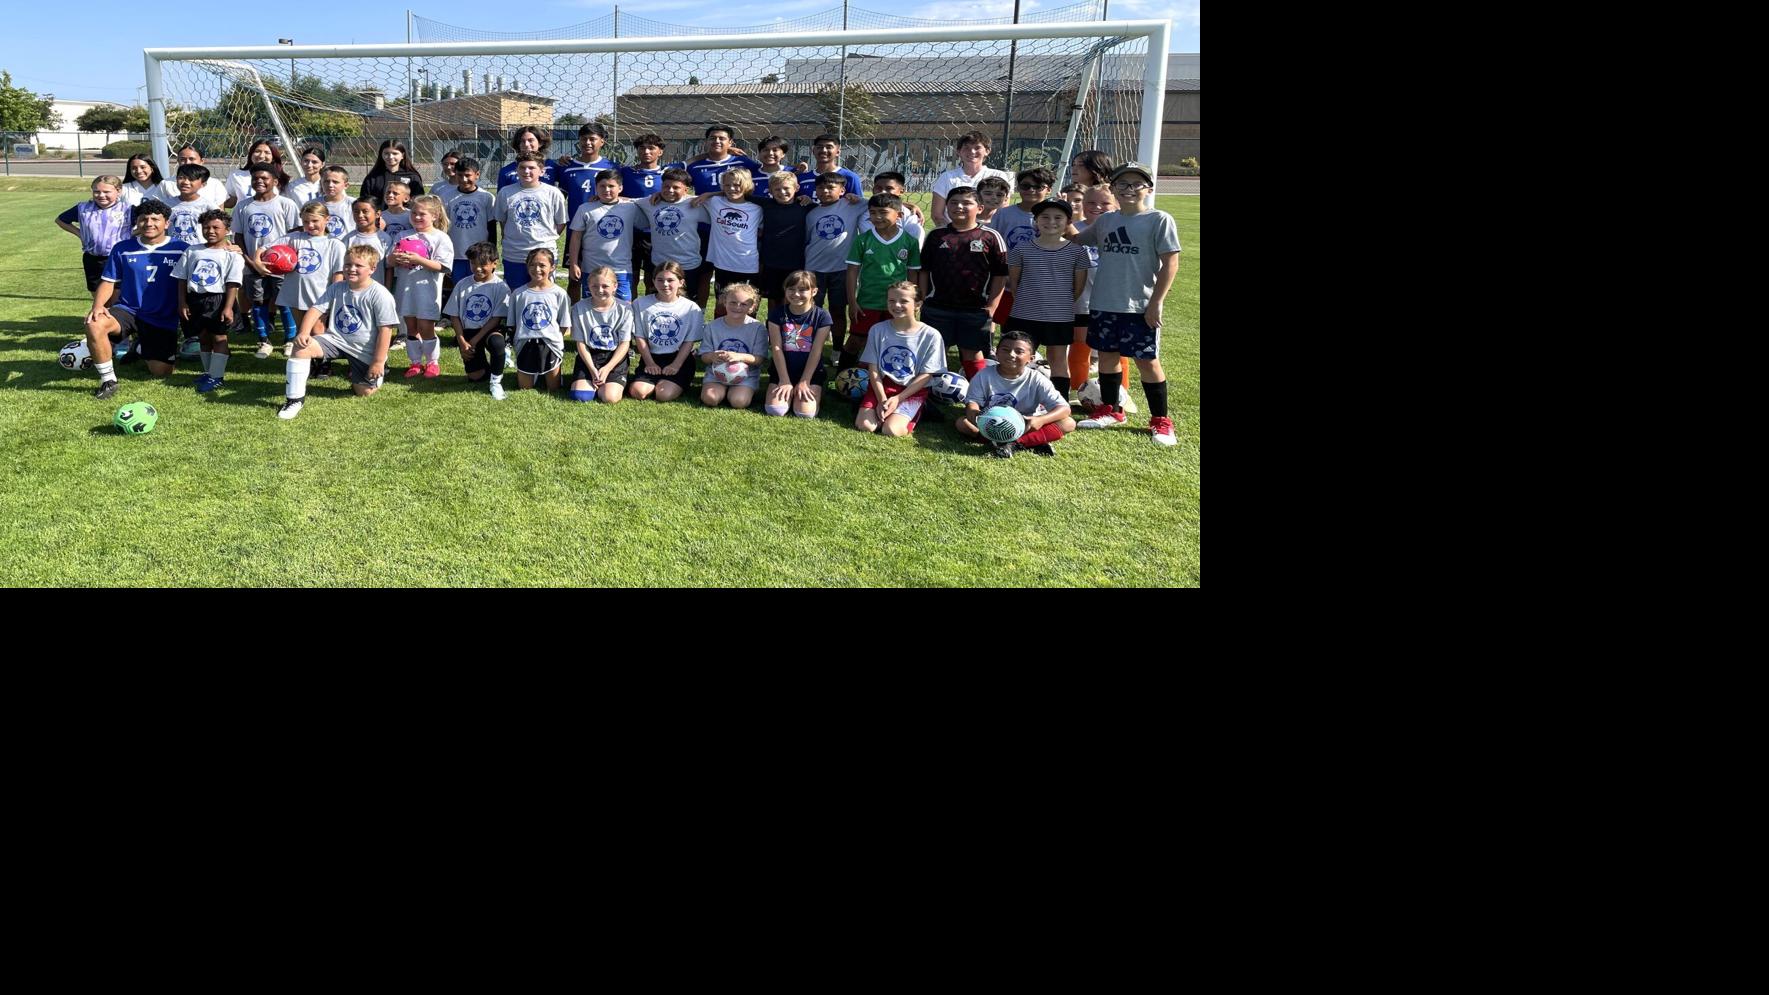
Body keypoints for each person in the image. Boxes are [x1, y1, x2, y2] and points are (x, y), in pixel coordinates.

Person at [1067, 163, 1182, 446]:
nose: (1129, 189)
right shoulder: (1106, 221)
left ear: (1148, 189)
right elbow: (1078, 239)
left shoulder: (1159, 219)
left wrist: (1156, 302)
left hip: (1140, 306)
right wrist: (1065, 211)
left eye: (1136, 184)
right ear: (1114, 188)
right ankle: (1111, 410)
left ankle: (1161, 421)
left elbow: (1171, 263)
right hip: (1104, 303)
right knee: (1107, 358)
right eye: (1123, 184)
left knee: (1147, 362)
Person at [277, 244, 400, 420]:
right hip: (336, 340)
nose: (352, 269)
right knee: (301, 347)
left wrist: (378, 361)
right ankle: (294, 400)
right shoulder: (337, 288)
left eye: (358, 265)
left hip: (364, 350)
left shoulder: (380, 294)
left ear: (372, 269)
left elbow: (386, 331)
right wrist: (303, 332)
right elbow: (315, 310)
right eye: (348, 264)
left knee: (364, 392)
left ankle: (377, 370)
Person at [84, 199, 190, 400]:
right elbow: (108, 281)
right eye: (143, 219)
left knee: (161, 372)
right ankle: (108, 380)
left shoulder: (182, 248)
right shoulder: (123, 248)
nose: (149, 223)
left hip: (162, 316)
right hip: (128, 310)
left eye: (155, 219)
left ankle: (140, 346)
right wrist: (97, 306)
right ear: (137, 223)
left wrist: (230, 249)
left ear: (167, 223)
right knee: (95, 323)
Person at [918, 185, 1007, 380]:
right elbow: (924, 270)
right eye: (954, 202)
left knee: (972, 352)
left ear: (980, 208)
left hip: (974, 308)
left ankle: (979, 392)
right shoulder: (936, 235)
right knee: (933, 351)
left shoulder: (990, 237)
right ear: (947, 206)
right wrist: (923, 298)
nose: (959, 206)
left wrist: (992, 306)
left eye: (967, 203)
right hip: (937, 306)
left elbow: (1000, 275)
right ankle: (927, 392)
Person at [1005, 198, 1090, 400]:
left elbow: (1078, 288)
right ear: (1036, 220)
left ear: (1068, 221)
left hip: (1059, 317)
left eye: (1058, 217)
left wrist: (1057, 303)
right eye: (1045, 217)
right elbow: (1015, 284)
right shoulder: (1021, 249)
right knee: (1017, 357)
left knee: (1057, 359)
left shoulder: (1077, 252)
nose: (1051, 221)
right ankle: (1014, 398)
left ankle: (1058, 403)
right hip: (1024, 314)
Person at [260, 200, 347, 380]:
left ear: (327, 220)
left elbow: (338, 274)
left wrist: (334, 297)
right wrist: (258, 259)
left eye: (315, 221)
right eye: (306, 221)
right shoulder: (295, 238)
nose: (310, 225)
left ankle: (324, 364)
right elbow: (266, 247)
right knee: (302, 330)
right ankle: (309, 362)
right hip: (295, 292)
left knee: (317, 330)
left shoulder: (334, 244)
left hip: (320, 295)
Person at [957, 329, 1075, 458]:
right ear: (996, 352)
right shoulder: (984, 375)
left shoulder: (1037, 378)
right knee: (962, 423)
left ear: (1031, 358)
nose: (1011, 355)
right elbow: (972, 404)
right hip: (992, 423)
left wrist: (1040, 420)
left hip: (1026, 425)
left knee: (1068, 423)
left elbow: (1064, 409)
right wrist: (976, 417)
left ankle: (1015, 444)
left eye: (1019, 352)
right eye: (1006, 350)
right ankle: (1032, 441)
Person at [854, 281, 945, 437]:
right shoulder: (878, 330)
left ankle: (921, 408)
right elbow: (873, 368)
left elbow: (926, 375)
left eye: (904, 301)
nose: (896, 305)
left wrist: (898, 398)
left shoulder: (931, 335)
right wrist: (882, 399)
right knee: (865, 426)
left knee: (890, 430)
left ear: (918, 304)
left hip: (911, 391)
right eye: (891, 300)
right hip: (882, 387)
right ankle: (876, 406)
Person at [842, 192, 920, 371]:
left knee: (896, 339)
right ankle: (843, 376)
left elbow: (913, 274)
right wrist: (852, 302)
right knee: (856, 340)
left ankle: (894, 375)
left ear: (899, 215)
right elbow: (852, 271)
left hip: (897, 303)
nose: (877, 217)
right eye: (873, 212)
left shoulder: (909, 242)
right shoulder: (863, 240)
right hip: (868, 301)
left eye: (883, 212)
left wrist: (914, 300)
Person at [232, 164, 302, 358]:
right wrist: (250, 261)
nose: (259, 181)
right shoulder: (243, 206)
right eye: (255, 178)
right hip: (253, 265)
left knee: (284, 302)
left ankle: (290, 339)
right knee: (258, 300)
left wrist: (287, 260)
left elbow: (295, 233)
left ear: (275, 181)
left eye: (264, 178)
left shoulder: (286, 204)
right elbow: (238, 236)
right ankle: (263, 340)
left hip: (281, 267)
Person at [1069, 183, 1128, 407]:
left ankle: (1122, 391)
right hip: (1082, 301)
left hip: (1114, 301)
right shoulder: (1073, 229)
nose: (1097, 207)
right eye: (1091, 202)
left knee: (1116, 348)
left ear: (1115, 204)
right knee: (1080, 343)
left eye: (1105, 203)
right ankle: (1078, 389)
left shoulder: (1122, 228)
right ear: (1082, 205)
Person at [175, 208, 244, 393]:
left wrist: (228, 307)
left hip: (219, 299)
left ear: (227, 230)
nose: (211, 231)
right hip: (195, 299)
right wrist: (182, 302)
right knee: (203, 337)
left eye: (216, 227)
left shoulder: (232, 254)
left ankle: (217, 377)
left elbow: (233, 283)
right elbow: (182, 278)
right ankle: (208, 372)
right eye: (206, 227)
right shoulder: (192, 250)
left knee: (219, 337)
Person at [390, 194, 456, 379]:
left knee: (426, 326)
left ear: (434, 216)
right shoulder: (403, 235)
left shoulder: (440, 238)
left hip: (427, 290)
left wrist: (418, 259)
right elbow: (389, 260)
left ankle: (433, 362)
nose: (417, 217)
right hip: (406, 289)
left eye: (422, 214)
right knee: (411, 327)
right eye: (414, 213)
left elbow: (443, 266)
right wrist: (396, 257)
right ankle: (415, 362)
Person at [804, 171, 865, 363]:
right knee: (812, 311)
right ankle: (811, 349)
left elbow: (883, 203)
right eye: (821, 188)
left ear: (842, 190)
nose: (825, 191)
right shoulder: (811, 213)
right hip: (814, 269)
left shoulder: (853, 205)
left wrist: (909, 205)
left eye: (831, 187)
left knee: (838, 311)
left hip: (841, 270)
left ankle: (837, 349)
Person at [442, 242, 511, 399]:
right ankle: (496, 363)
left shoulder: (500, 287)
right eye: (473, 263)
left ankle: (496, 382)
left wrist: (474, 341)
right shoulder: (462, 284)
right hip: (468, 331)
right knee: (476, 377)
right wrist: (462, 341)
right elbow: (454, 315)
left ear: (495, 263)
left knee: (497, 344)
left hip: (489, 330)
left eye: (483, 264)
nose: (478, 268)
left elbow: (496, 319)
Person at [627, 260, 703, 403]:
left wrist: (676, 365)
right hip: (652, 357)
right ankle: (656, 379)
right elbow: (640, 337)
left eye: (670, 280)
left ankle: (680, 380)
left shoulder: (691, 308)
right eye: (660, 280)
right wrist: (649, 363)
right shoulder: (640, 304)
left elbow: (689, 341)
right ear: (653, 281)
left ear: (681, 282)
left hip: (678, 358)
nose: (665, 284)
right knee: (638, 392)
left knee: (663, 394)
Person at [634, 168, 710, 307]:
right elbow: (628, 201)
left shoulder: (696, 203)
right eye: (666, 186)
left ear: (686, 189)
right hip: (659, 264)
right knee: (657, 303)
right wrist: (600, 198)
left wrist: (711, 194)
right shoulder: (650, 202)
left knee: (687, 304)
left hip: (688, 264)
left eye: (676, 187)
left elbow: (728, 200)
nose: (670, 190)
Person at [565, 168, 644, 302]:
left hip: (621, 268)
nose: (606, 190)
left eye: (611, 186)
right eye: (602, 186)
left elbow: (646, 220)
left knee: (624, 307)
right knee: (592, 306)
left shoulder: (631, 208)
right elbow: (576, 237)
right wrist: (573, 263)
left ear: (620, 188)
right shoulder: (585, 208)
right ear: (596, 188)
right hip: (591, 267)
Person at [493, 152, 569, 289]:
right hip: (514, 254)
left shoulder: (553, 193)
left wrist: (545, 238)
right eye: (522, 167)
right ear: (517, 170)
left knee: (543, 295)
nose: (526, 171)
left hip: (544, 253)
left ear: (542, 171)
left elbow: (561, 222)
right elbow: (502, 221)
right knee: (515, 294)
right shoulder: (505, 193)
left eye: (531, 168)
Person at [763, 270, 830, 418]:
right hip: (783, 371)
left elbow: (816, 350)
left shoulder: (822, 316)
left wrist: (805, 381)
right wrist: (784, 379)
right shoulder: (777, 314)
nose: (796, 294)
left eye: (802, 289)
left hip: (810, 373)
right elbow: (776, 347)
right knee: (775, 410)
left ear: (814, 291)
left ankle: (815, 389)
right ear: (785, 290)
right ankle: (788, 388)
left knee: (804, 413)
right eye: (791, 289)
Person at [698, 167, 762, 318]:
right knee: (723, 304)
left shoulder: (757, 208)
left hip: (747, 264)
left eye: (737, 185)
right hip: (722, 264)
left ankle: (747, 338)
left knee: (747, 304)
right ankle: (720, 339)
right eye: (727, 185)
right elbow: (686, 198)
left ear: (747, 185)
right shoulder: (714, 202)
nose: (732, 188)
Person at [567, 265, 635, 404]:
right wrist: (592, 369)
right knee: (581, 396)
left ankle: (612, 381)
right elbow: (580, 343)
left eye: (605, 286)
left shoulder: (625, 309)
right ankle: (591, 380)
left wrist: (607, 368)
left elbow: (624, 343)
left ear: (615, 286)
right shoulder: (579, 308)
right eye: (595, 286)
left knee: (609, 397)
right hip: (589, 356)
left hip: (614, 357)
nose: (600, 290)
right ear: (588, 286)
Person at [57, 175, 134, 294]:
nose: (101, 195)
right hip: (93, 260)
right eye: (97, 192)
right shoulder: (83, 208)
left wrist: (131, 235)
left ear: (118, 191)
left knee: (116, 298)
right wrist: (79, 234)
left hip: (118, 258)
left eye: (106, 192)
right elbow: (61, 220)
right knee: (98, 298)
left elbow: (146, 223)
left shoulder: (127, 209)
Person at [506, 247, 570, 392]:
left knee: (553, 388)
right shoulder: (518, 294)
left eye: (542, 265)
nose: (537, 269)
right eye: (533, 265)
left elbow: (564, 325)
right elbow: (512, 324)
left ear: (552, 267)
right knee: (524, 388)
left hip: (550, 345)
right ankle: (532, 371)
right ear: (527, 266)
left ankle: (550, 369)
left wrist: (554, 340)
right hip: (525, 344)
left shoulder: (559, 293)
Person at [620, 132, 676, 295]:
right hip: (631, 233)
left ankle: (650, 311)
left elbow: (691, 163)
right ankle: (631, 313)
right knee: (632, 277)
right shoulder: (625, 172)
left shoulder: (669, 172)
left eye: (651, 148)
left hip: (658, 234)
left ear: (660, 151)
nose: (646, 152)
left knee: (654, 277)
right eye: (642, 148)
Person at [698, 282, 768, 410]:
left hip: (746, 376)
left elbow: (759, 359)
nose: (737, 307)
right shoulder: (712, 327)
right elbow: (704, 357)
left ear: (752, 307)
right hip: (716, 375)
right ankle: (722, 390)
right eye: (733, 302)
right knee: (710, 399)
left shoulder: (758, 328)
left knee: (738, 402)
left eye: (744, 304)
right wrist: (712, 356)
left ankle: (741, 391)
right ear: (724, 302)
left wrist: (739, 357)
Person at [755, 170, 811, 321]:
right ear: (770, 191)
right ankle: (772, 329)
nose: (782, 192)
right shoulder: (766, 204)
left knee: (791, 298)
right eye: (777, 189)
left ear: (796, 188)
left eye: (786, 188)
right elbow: (738, 194)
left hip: (795, 263)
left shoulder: (805, 206)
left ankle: (788, 329)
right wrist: (709, 195)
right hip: (771, 262)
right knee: (773, 299)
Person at [930, 131, 1014, 226]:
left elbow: (1002, 211)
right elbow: (937, 215)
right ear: (959, 151)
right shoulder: (947, 177)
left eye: (977, 148)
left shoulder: (999, 176)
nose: (972, 151)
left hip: (988, 232)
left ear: (987, 151)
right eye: (966, 148)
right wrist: (954, 234)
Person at [441, 157, 496, 286]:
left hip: (479, 255)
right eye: (460, 175)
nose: (464, 179)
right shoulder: (447, 197)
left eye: (468, 175)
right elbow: (442, 226)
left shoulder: (486, 197)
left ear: (477, 175)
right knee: (458, 289)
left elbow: (491, 227)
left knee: (479, 287)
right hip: (455, 254)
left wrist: (492, 252)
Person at [557, 123, 618, 222]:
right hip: (574, 223)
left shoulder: (612, 167)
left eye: (592, 139)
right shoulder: (567, 167)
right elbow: (560, 197)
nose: (587, 142)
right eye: (584, 139)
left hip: (603, 224)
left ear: (602, 141)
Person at [155, 144, 229, 209]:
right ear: (178, 161)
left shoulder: (215, 184)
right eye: (183, 159)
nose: (187, 162)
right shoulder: (166, 184)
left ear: (202, 161)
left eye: (192, 159)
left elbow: (220, 212)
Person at [358, 139, 425, 210]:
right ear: (381, 155)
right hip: (380, 218)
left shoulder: (412, 177)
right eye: (386, 153)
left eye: (395, 153)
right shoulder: (372, 178)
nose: (390, 157)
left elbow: (418, 201)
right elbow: (365, 200)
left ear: (402, 155)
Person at [861, 172, 925, 245]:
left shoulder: (909, 215)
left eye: (889, 188)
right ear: (873, 189)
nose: (883, 192)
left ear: (901, 191)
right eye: (878, 188)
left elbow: (914, 243)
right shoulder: (864, 212)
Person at [795, 134, 863, 200]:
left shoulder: (850, 178)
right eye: (819, 147)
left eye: (829, 147)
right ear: (813, 151)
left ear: (838, 152)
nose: (824, 150)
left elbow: (858, 206)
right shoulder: (802, 178)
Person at [345, 197, 393, 291]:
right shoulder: (348, 239)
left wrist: (387, 291)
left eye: (365, 211)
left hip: (376, 291)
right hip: (351, 291)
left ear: (377, 214)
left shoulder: (385, 239)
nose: (360, 215)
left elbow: (389, 269)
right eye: (356, 211)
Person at [224, 139, 290, 208]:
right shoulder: (236, 175)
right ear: (251, 155)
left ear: (273, 157)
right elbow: (231, 202)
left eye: (267, 152)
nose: (261, 156)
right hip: (245, 217)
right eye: (257, 151)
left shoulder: (281, 179)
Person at [164, 162, 215, 246]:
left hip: (197, 251)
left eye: (191, 179)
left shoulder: (208, 206)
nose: (185, 182)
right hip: (173, 250)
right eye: (181, 178)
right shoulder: (167, 204)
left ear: (203, 184)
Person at [495, 125, 560, 190]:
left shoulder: (553, 167)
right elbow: (502, 197)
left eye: (530, 140)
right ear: (518, 144)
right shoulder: (506, 172)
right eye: (522, 141)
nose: (526, 144)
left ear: (540, 143)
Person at [318, 165, 354, 239]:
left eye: (335, 182)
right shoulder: (313, 204)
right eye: (326, 181)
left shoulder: (354, 204)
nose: (330, 185)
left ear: (346, 185)